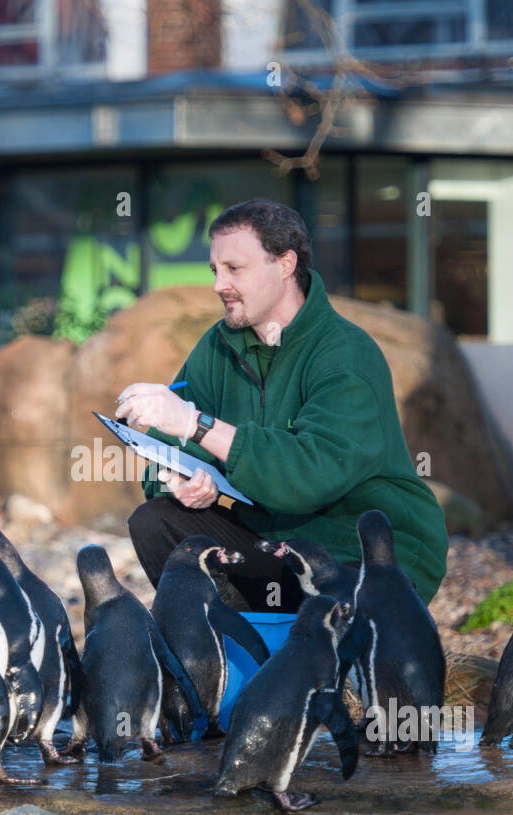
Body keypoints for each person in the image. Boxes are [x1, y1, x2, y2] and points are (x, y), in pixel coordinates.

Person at [117, 198, 448, 612]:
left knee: (335, 616)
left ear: (285, 264)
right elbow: (164, 454)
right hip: (272, 544)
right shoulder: (216, 348)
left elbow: (311, 473)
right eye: (215, 270)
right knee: (154, 521)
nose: (219, 285)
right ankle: (236, 643)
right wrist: (180, 479)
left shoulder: (346, 353)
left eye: (234, 269)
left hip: (359, 551)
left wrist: (196, 425)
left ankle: (323, 640)